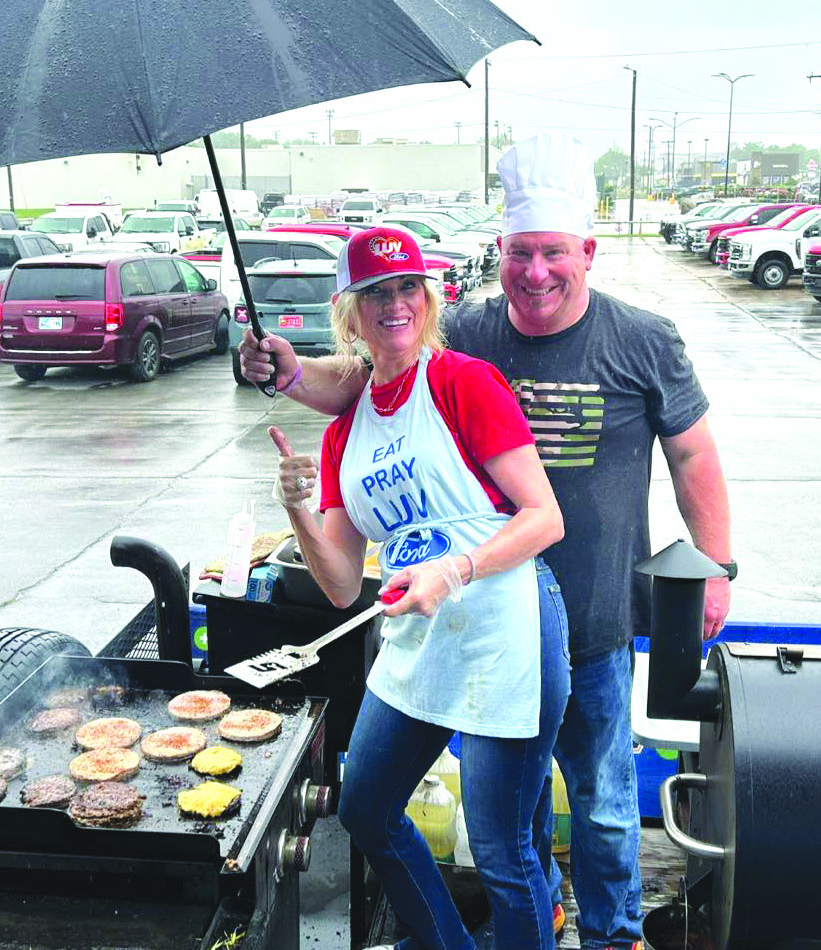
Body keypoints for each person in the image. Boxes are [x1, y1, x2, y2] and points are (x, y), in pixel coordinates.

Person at [240, 134, 733, 950]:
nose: (535, 272)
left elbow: (694, 459)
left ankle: (613, 936)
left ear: (587, 252)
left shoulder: (641, 339)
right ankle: (524, 924)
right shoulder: (470, 333)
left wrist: (715, 572)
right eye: (519, 254)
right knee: (508, 822)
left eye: (552, 253)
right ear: (498, 256)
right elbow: (370, 380)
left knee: (604, 805)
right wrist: (288, 376)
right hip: (454, 621)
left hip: (587, 612)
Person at [269, 224, 571, 950]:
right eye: (376, 293)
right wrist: (298, 508)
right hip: (420, 632)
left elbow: (545, 518)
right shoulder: (346, 431)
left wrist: (455, 567)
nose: (395, 304)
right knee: (367, 807)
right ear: (350, 314)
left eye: (408, 287)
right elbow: (341, 585)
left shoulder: (464, 381)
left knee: (503, 850)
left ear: (428, 300)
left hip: (508, 622)